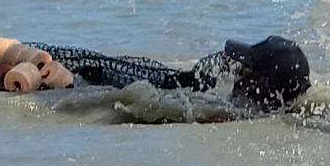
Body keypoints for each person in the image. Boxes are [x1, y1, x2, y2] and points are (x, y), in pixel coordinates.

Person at [47, 35, 311, 112]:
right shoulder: (288, 106)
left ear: (262, 85)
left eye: (245, 70)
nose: (236, 74)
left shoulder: (224, 116)